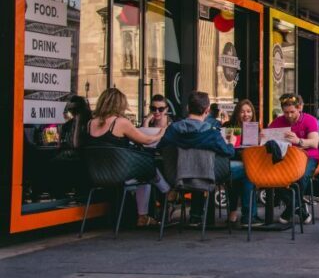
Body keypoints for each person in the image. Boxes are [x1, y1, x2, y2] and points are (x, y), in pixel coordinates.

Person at [158, 91, 256, 226]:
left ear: (187, 108)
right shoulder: (211, 132)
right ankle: (249, 217)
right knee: (247, 170)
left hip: (179, 175)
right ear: (207, 110)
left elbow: (161, 148)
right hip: (207, 175)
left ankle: (196, 216)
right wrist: (231, 143)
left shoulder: (173, 130)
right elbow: (228, 152)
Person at [85, 88, 168, 227]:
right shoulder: (120, 122)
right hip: (119, 174)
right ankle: (163, 195)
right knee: (147, 168)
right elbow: (146, 141)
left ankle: (150, 210)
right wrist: (161, 133)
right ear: (119, 104)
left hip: (97, 174)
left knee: (145, 173)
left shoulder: (90, 124)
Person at [270, 93, 319, 225]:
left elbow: (314, 143)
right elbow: (267, 138)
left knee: (301, 176)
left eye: (292, 112)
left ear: (300, 108)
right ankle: (299, 207)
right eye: (286, 112)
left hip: (308, 156)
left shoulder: (310, 120)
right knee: (273, 176)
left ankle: (290, 208)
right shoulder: (279, 121)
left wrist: (298, 140)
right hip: (287, 158)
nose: (289, 116)